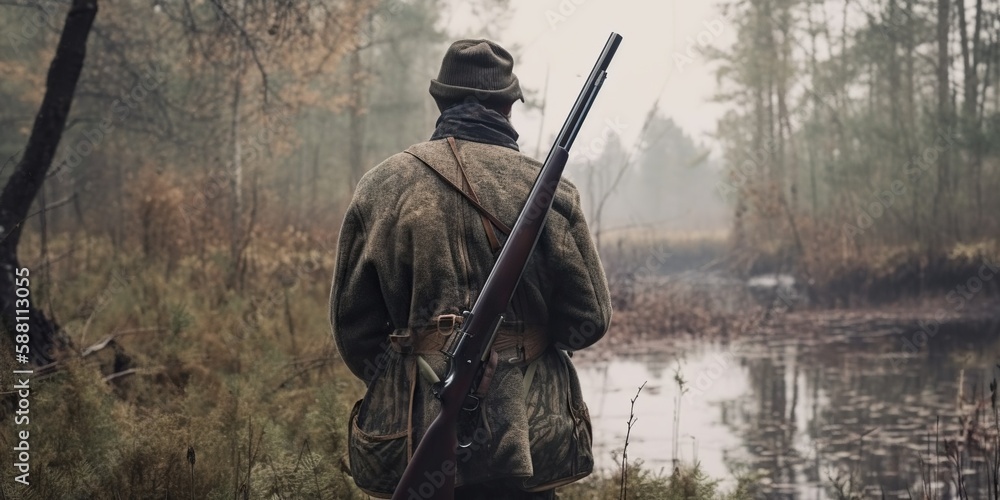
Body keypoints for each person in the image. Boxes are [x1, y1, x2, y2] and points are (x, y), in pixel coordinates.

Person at [330, 38, 612, 500]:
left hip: (407, 434)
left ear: (441, 100)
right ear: (508, 106)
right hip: (531, 442)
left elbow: (353, 329)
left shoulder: (379, 188)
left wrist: (421, 374)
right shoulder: (550, 191)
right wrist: (525, 353)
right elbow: (590, 321)